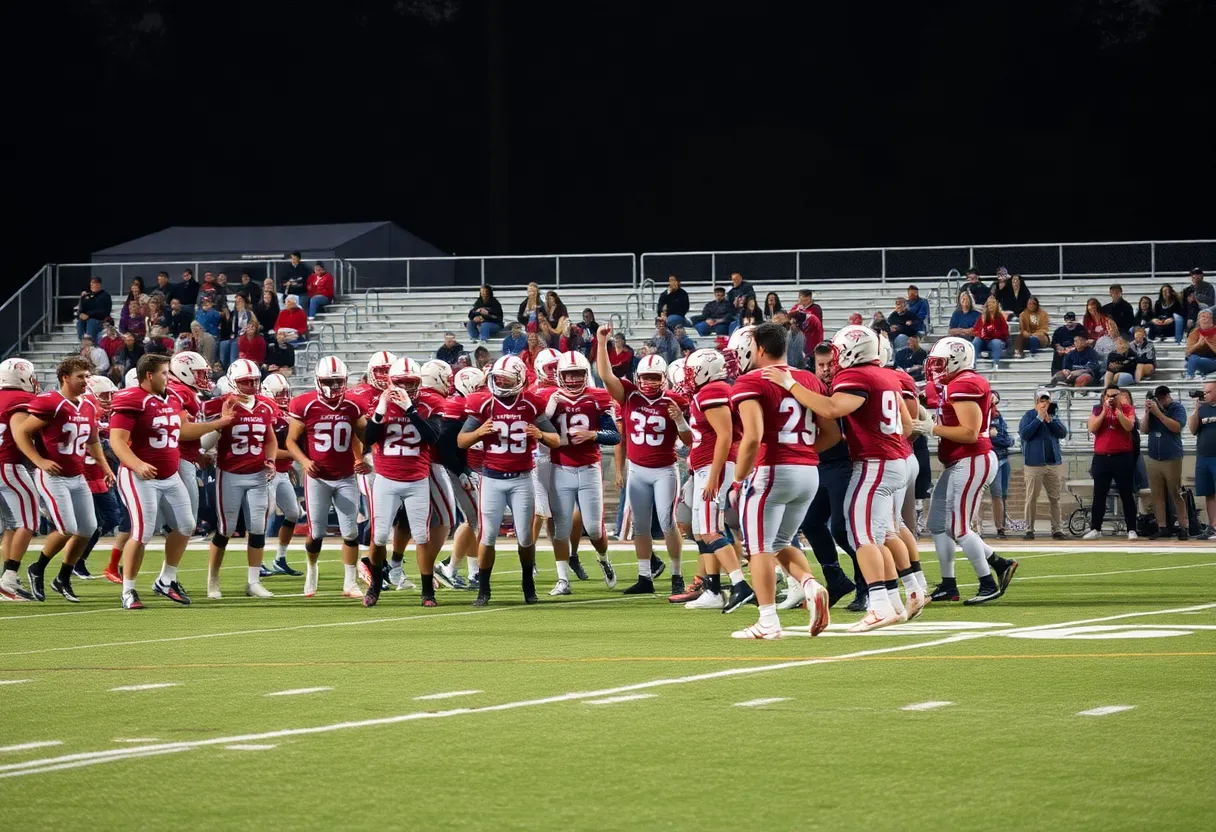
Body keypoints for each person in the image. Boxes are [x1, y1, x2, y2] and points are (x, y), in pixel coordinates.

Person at [723, 323, 831, 640]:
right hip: (808, 471)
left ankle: (768, 621)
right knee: (780, 543)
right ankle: (811, 586)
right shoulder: (809, 378)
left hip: (772, 471)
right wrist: (800, 454)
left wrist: (738, 479)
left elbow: (753, 437)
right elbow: (832, 434)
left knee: (758, 548)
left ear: (758, 348)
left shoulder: (751, 380)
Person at [109, 354, 233, 609]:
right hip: (139, 475)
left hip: (169, 474)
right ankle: (128, 590)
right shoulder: (132, 399)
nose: (169, 378)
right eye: (164, 373)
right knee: (142, 531)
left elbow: (183, 431)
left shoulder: (172, 398)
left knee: (187, 525)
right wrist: (137, 464)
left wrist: (212, 431)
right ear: (149, 375)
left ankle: (167, 579)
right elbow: (117, 440)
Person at [914, 337, 1017, 604]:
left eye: (940, 363)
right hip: (959, 460)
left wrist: (930, 428)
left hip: (973, 458)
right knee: (937, 523)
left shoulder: (965, 383)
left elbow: (970, 433)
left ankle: (987, 582)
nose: (935, 368)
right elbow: (930, 396)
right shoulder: (953, 384)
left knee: (959, 527)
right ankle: (954, 582)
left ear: (957, 360)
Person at [458, 355, 560, 606]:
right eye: (498, 379)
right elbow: (461, 441)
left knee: (525, 537)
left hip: (521, 478)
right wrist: (479, 433)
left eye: (506, 380)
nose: (501, 383)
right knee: (488, 535)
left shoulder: (531, 403)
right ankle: (484, 589)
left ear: (519, 380)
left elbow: (556, 440)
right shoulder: (483, 403)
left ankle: (528, 583)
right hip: (491, 477)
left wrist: (540, 434)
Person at [11, 356, 114, 603]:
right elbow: (23, 432)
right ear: (65, 378)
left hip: (77, 475)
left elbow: (91, 440)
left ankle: (63, 577)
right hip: (53, 476)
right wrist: (39, 461)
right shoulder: (51, 402)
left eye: (87, 376)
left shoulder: (88, 405)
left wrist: (105, 466)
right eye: (80, 376)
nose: (85, 381)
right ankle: (37, 568)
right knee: (67, 528)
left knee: (88, 529)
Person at [595, 327, 690, 596]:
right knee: (640, 524)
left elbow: (690, 439)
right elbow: (605, 374)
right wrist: (602, 342)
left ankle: (676, 575)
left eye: (653, 377)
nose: (648, 382)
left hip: (664, 470)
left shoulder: (675, 400)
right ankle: (645, 576)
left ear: (663, 378)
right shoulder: (629, 394)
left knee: (668, 521)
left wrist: (679, 420)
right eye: (645, 377)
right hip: (637, 469)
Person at [203, 359, 281, 599]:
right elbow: (205, 446)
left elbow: (270, 439)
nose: (251, 385)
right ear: (232, 382)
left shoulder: (266, 406)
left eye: (254, 381)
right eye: (245, 381)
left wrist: (271, 460)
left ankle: (253, 581)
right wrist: (220, 424)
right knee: (225, 529)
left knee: (257, 529)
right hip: (230, 474)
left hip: (257, 475)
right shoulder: (221, 404)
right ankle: (212, 580)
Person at [544, 352, 620, 596]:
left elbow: (615, 435)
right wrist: (547, 412)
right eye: (569, 374)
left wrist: (593, 435)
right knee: (561, 528)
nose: (574, 379)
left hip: (589, 468)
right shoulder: (551, 398)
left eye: (578, 374)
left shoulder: (597, 397)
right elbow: (540, 434)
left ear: (586, 374)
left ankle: (604, 558)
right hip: (560, 468)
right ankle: (563, 579)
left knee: (594, 529)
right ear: (560, 375)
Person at [0, 358, 42, 600]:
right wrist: (39, 460)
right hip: (9, 464)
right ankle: (9, 576)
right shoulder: (22, 400)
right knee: (30, 521)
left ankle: (8, 578)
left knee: (11, 525)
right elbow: (22, 434)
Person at [1080, 385, 1138, 541]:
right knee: (1099, 494)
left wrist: (1117, 411)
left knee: (1126, 494)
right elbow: (1092, 428)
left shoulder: (1127, 409)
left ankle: (1131, 528)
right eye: (1109, 396)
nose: (1112, 398)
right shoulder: (1098, 409)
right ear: (1104, 397)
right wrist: (1105, 412)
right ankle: (1095, 528)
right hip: (1102, 456)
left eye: (1115, 395)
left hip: (1122, 456)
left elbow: (1129, 427)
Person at [1142, 385, 1189, 540]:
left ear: (1168, 396)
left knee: (1175, 493)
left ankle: (1183, 526)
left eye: (1163, 398)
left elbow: (1176, 427)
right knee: (1157, 494)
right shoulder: (1153, 410)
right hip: (1154, 456)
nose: (1161, 400)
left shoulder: (1177, 408)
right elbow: (1143, 429)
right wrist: (1148, 413)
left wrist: (1159, 414)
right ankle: (1162, 526)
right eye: (1159, 398)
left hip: (1172, 457)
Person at [1019, 389, 1068, 540]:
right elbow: (1025, 434)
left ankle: (1057, 529)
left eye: (1047, 401)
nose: (1045, 404)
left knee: (1055, 497)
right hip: (1034, 463)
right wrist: (1038, 419)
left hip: (1052, 462)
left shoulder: (1053, 415)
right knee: (1031, 497)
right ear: (1036, 402)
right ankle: (1029, 529)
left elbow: (1062, 433)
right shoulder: (1029, 415)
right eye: (1042, 400)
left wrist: (1050, 420)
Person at [1188, 377, 1216, 541]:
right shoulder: (1202, 409)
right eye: (1204, 392)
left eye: (1208, 392)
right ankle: (1212, 526)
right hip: (1203, 456)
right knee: (1209, 493)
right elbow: (1192, 429)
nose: (1204, 395)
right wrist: (1196, 409)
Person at [987, 391, 1014, 538]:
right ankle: (999, 527)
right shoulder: (986, 414)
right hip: (994, 458)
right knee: (997, 494)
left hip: (1004, 457)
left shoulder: (998, 415)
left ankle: (1002, 525)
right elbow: (992, 438)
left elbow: (1003, 436)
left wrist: (1005, 440)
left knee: (1003, 494)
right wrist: (1005, 440)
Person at [974, 297, 1009, 366]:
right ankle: (973, 364)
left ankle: (996, 365)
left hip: (997, 341)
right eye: (989, 303)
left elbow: (1005, 334)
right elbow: (976, 331)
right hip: (984, 341)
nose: (991, 305)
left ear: (997, 305)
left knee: (996, 342)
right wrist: (983, 324)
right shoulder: (982, 316)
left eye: (993, 302)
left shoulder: (1000, 317)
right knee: (976, 340)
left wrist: (993, 332)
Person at [76, 276, 112, 341]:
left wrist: (89, 315)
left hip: (99, 320)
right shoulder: (88, 296)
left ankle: (91, 343)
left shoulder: (105, 296)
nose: (91, 286)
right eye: (91, 284)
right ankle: (83, 343)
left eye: (93, 284)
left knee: (91, 322)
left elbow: (104, 311)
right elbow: (81, 309)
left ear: (98, 285)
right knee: (80, 322)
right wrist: (82, 299)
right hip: (87, 319)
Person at [1184, 309, 1216, 378]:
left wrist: (1207, 342)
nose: (1204, 319)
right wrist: (1198, 344)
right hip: (1196, 359)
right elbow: (1187, 352)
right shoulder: (1194, 332)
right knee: (1192, 359)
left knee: (1192, 362)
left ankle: (1191, 374)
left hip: (1213, 361)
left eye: (1207, 317)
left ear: (1211, 320)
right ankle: (1190, 375)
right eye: (1202, 316)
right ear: (1199, 320)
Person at [1182, 268, 1214, 333]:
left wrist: (1196, 297)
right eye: (1194, 276)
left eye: (1198, 276)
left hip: (1205, 311)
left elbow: (1211, 302)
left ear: (1202, 277)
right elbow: (1185, 305)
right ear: (1191, 277)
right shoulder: (1188, 289)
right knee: (1189, 321)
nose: (1196, 278)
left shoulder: (1209, 287)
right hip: (1192, 313)